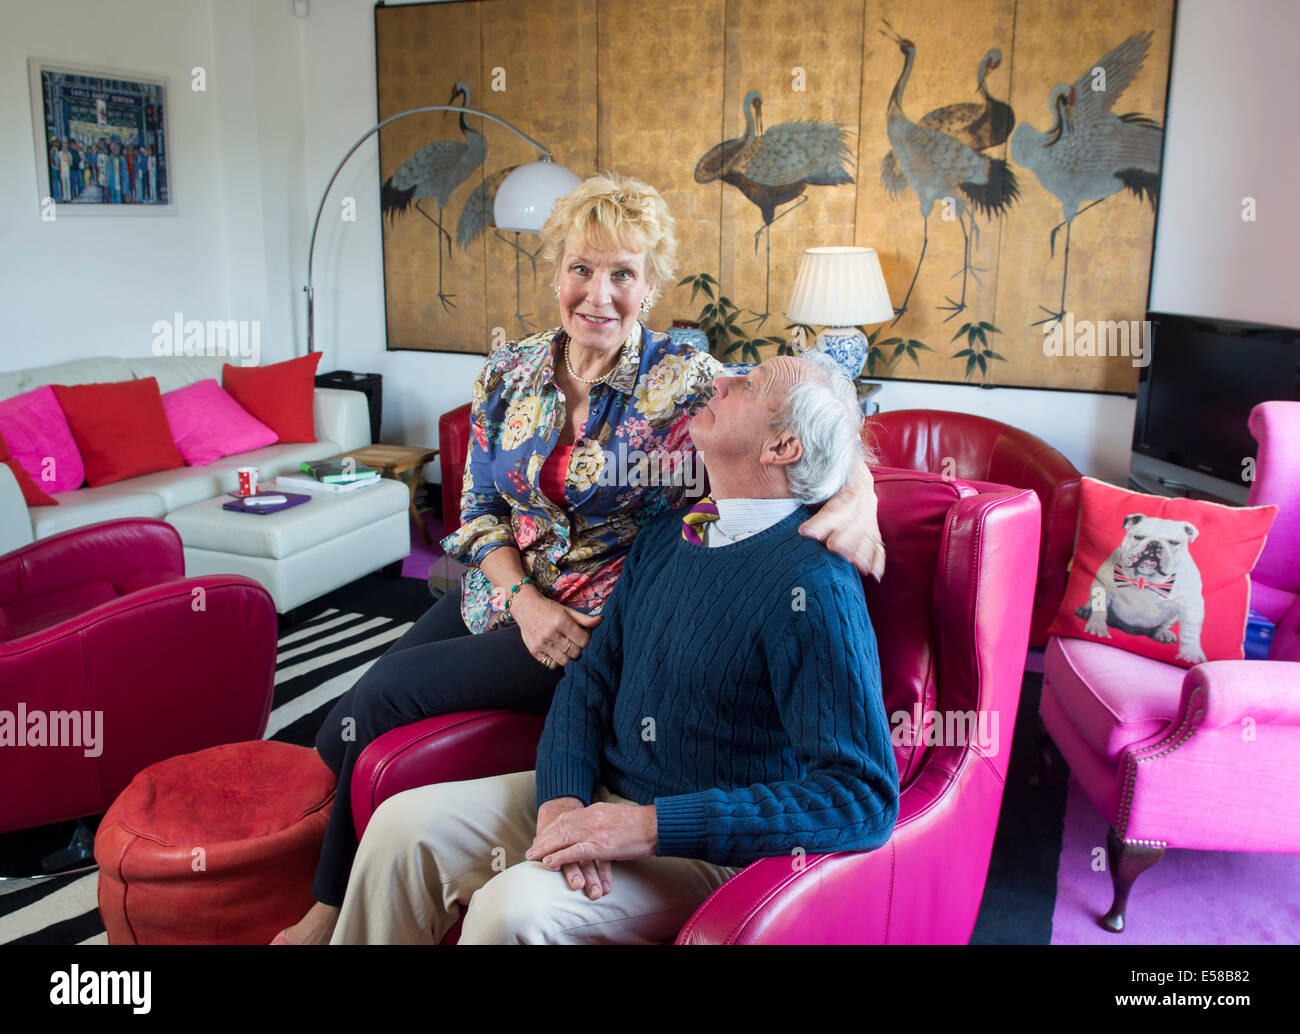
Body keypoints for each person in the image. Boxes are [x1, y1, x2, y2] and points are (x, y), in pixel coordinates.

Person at [275, 172, 887, 945]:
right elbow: (476, 513)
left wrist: (858, 495)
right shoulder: (515, 373)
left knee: (385, 697)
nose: (598, 293)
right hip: (509, 591)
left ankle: (321, 905)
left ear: (649, 286)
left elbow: (815, 431)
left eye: (623, 274)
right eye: (582, 269)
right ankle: (321, 876)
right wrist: (561, 775)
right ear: (557, 273)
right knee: (352, 720)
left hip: (591, 615)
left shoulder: (689, 385)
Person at [330, 352, 899, 944]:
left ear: (781, 448)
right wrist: (560, 799)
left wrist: (648, 827)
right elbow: (588, 684)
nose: (721, 380)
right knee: (403, 825)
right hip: (601, 797)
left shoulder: (815, 586)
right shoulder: (665, 538)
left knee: (514, 909)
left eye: (748, 385)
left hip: (701, 848)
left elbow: (861, 797)